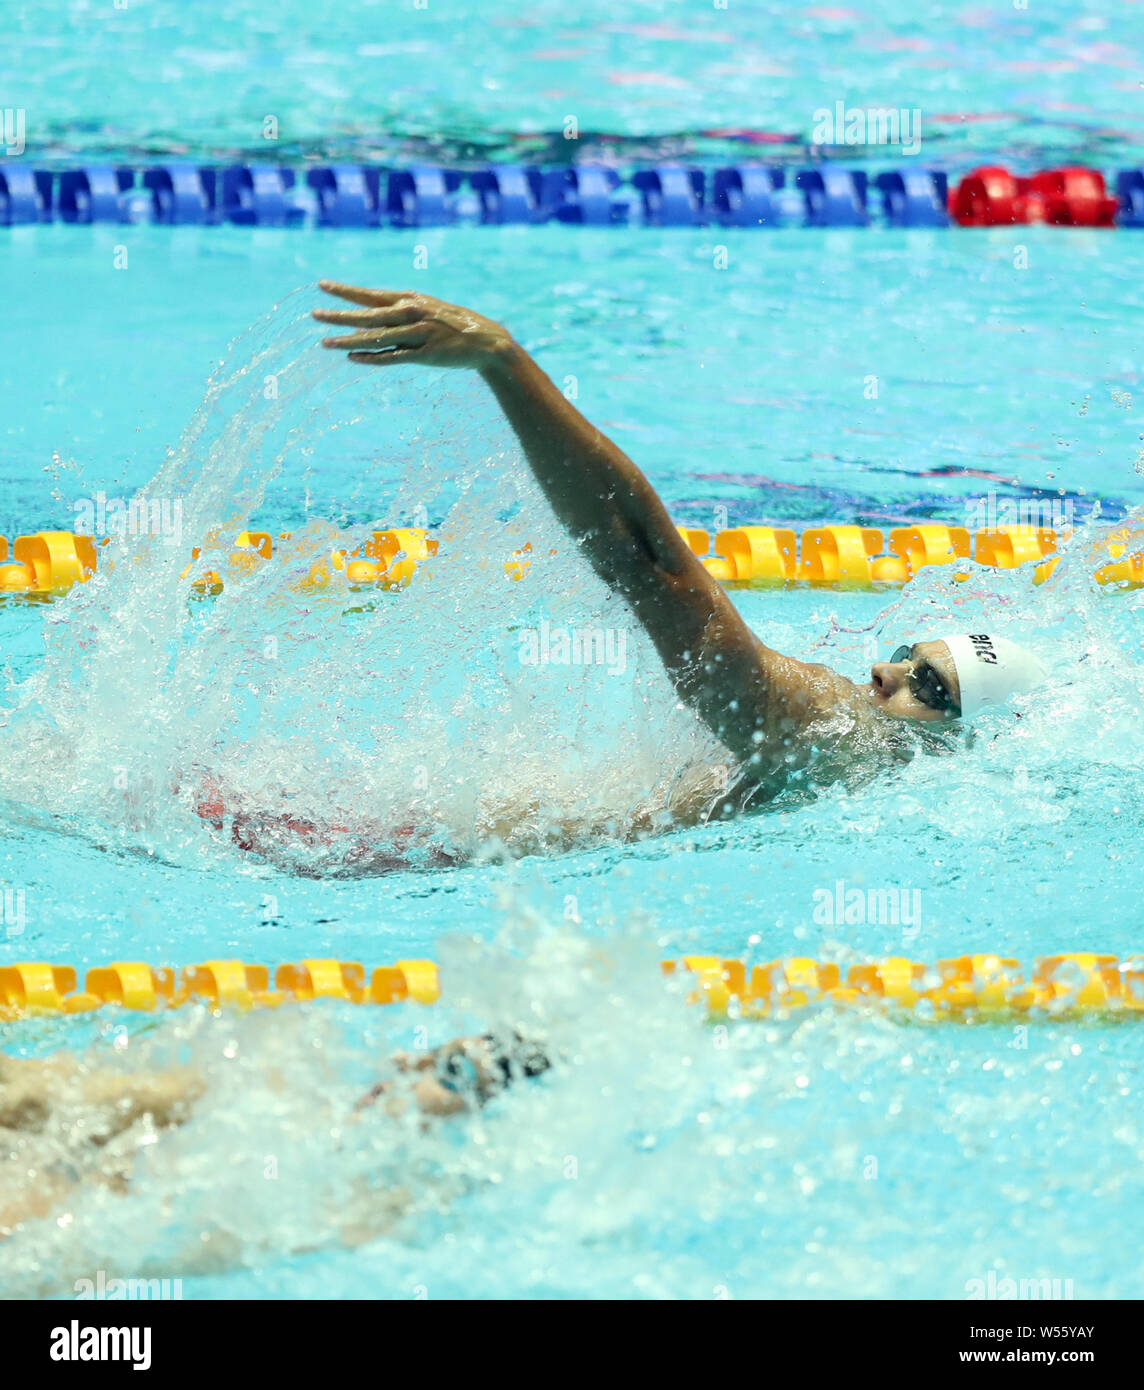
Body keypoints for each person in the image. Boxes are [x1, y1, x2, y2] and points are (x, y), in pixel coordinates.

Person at [312, 283, 1049, 811]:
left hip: (410, 861)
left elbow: (652, 568)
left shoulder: (840, 739)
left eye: (927, 688)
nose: (882, 673)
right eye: (905, 654)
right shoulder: (861, 763)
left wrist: (505, 362)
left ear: (960, 741)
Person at [0, 1031, 550, 1238]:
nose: (408, 1064)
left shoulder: (361, 1199)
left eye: (447, 1074)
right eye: (431, 1054)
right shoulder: (287, 1083)